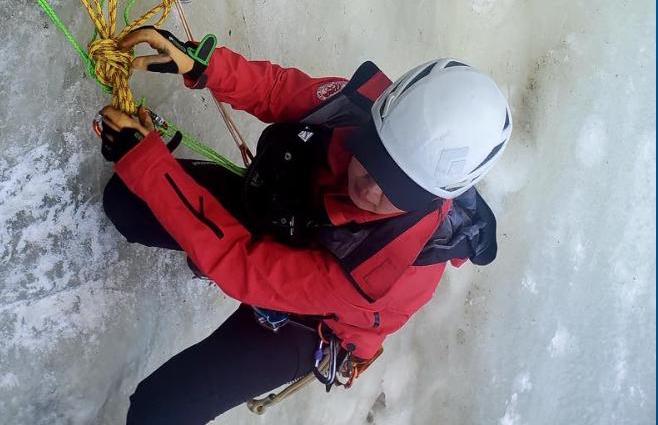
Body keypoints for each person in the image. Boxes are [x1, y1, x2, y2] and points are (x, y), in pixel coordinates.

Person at [96, 27, 511, 424]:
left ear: (432, 199)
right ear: (377, 123)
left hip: (312, 321)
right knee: (127, 200)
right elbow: (277, 91)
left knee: (159, 411)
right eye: (373, 158)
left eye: (396, 192)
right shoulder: (362, 110)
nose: (369, 189)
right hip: (294, 221)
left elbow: (244, 266)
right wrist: (203, 66)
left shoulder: (381, 272)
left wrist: (150, 163)